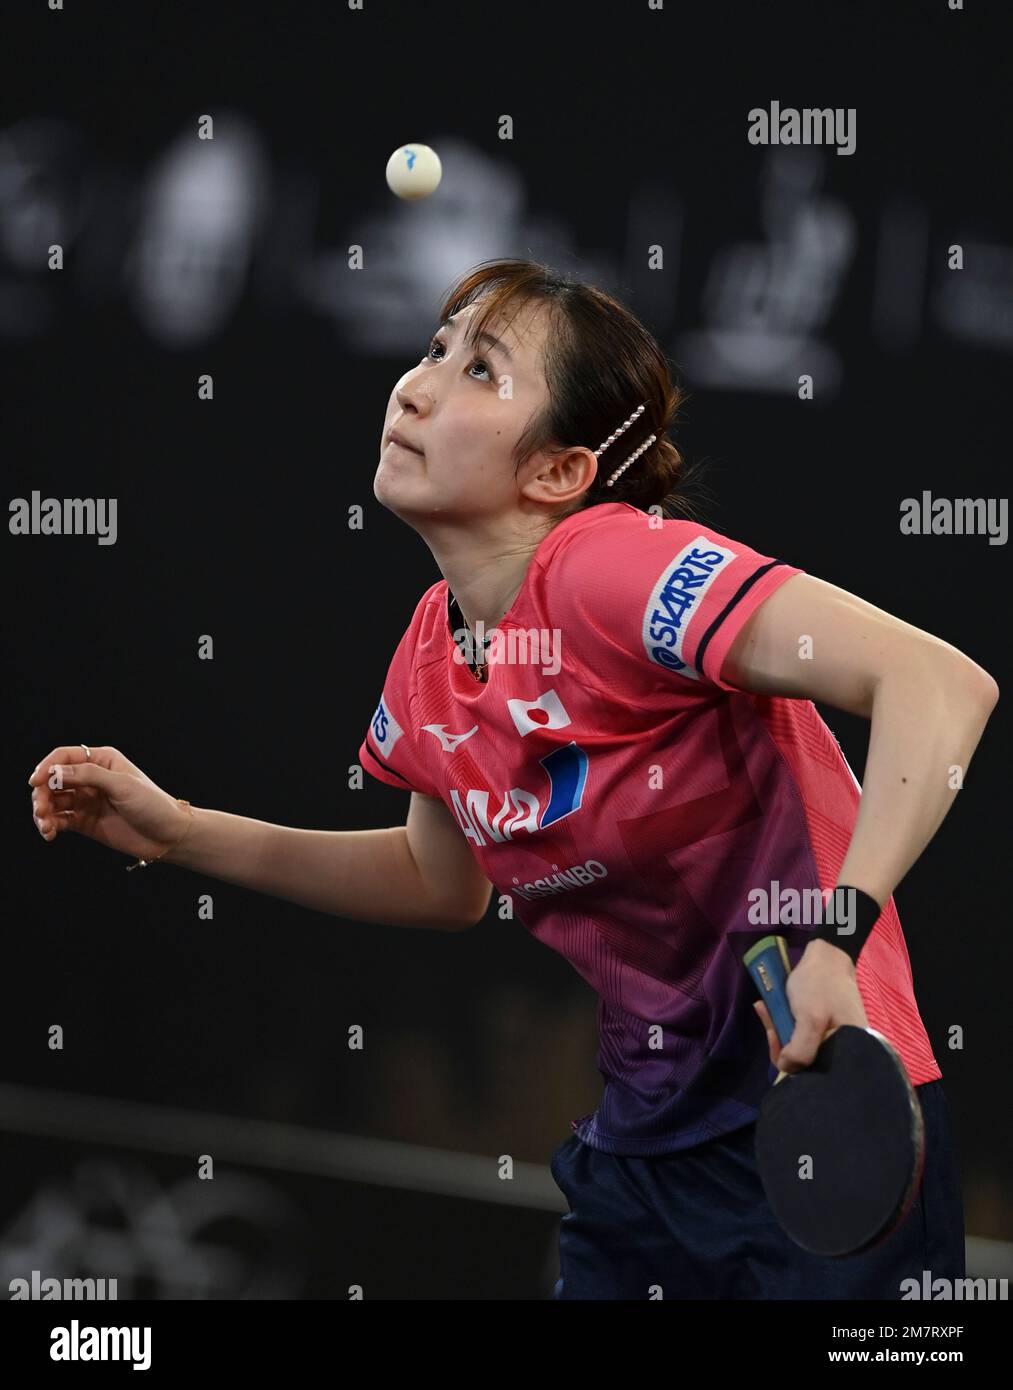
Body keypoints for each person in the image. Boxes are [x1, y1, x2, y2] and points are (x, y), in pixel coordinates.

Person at [29, 258, 998, 1300]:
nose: (415, 384)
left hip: (813, 1110)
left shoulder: (613, 569)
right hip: (642, 1148)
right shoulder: (430, 652)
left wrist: (835, 928)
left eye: (481, 371)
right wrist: (178, 830)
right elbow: (437, 879)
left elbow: (938, 680)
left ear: (558, 472)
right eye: (433, 349)